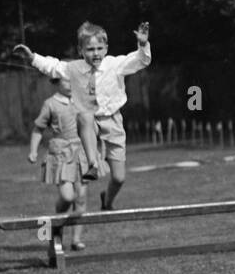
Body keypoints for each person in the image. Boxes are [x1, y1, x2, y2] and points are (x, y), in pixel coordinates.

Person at [14, 20, 150, 210]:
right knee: (85, 117)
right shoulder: (75, 68)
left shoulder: (115, 64)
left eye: (99, 48)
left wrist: (143, 45)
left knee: (119, 178)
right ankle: (93, 163)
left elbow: (141, 61)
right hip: (89, 120)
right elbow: (53, 66)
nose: (96, 53)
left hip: (112, 121)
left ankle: (107, 200)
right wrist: (32, 57)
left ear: (106, 48)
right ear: (81, 50)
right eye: (90, 49)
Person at [28, 74, 88, 250]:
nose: (71, 84)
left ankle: (76, 240)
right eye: (66, 80)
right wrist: (33, 150)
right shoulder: (50, 104)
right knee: (67, 197)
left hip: (82, 152)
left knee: (81, 198)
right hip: (61, 153)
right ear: (56, 82)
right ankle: (55, 225)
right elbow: (38, 129)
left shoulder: (82, 101)